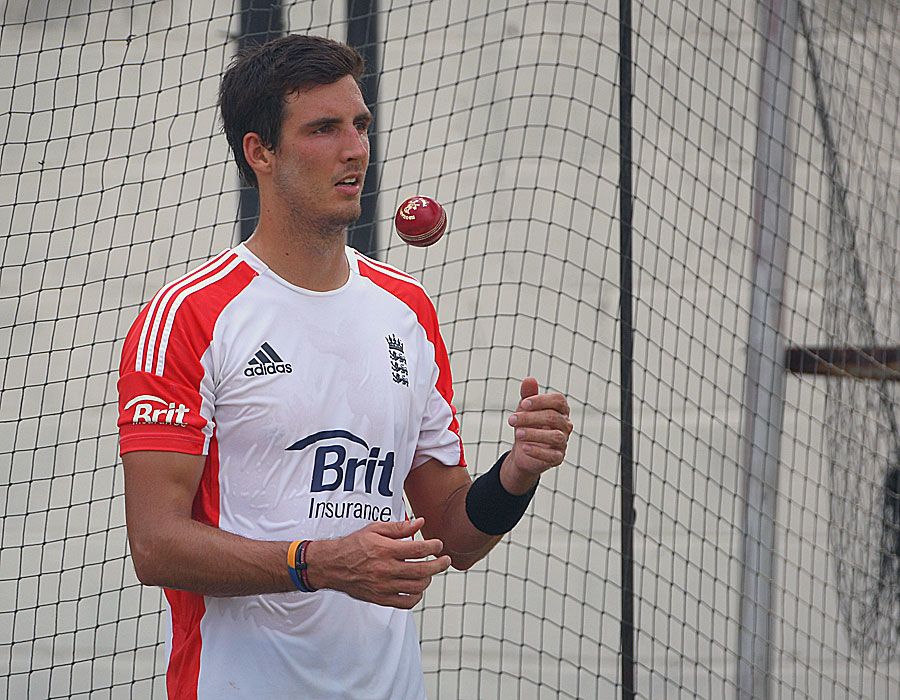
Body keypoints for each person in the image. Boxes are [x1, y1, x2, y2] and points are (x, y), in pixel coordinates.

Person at [116, 34, 572, 699]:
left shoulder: (406, 308)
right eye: (323, 128)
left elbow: (454, 535)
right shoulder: (187, 315)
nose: (355, 148)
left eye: (360, 125)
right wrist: (320, 563)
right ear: (260, 152)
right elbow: (156, 547)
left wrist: (517, 472)